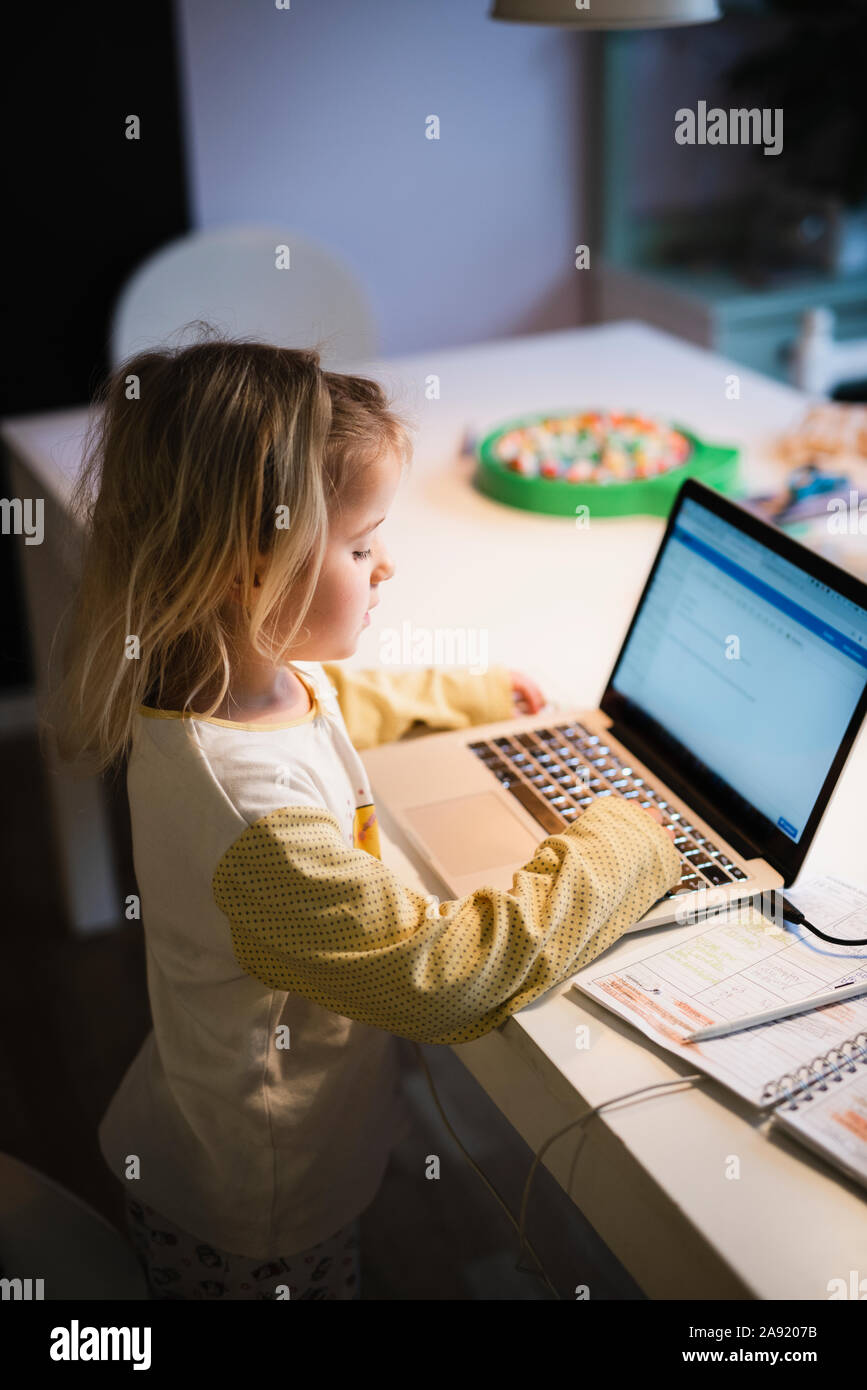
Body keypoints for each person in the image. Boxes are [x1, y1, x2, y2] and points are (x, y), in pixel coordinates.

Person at [51, 336, 681, 1300]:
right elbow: (443, 981)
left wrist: (463, 694)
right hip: (255, 1214)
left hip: (222, 1136)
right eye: (356, 544)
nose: (384, 566)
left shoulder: (218, 679)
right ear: (241, 565)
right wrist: (628, 838)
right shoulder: (254, 822)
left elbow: (328, 707)